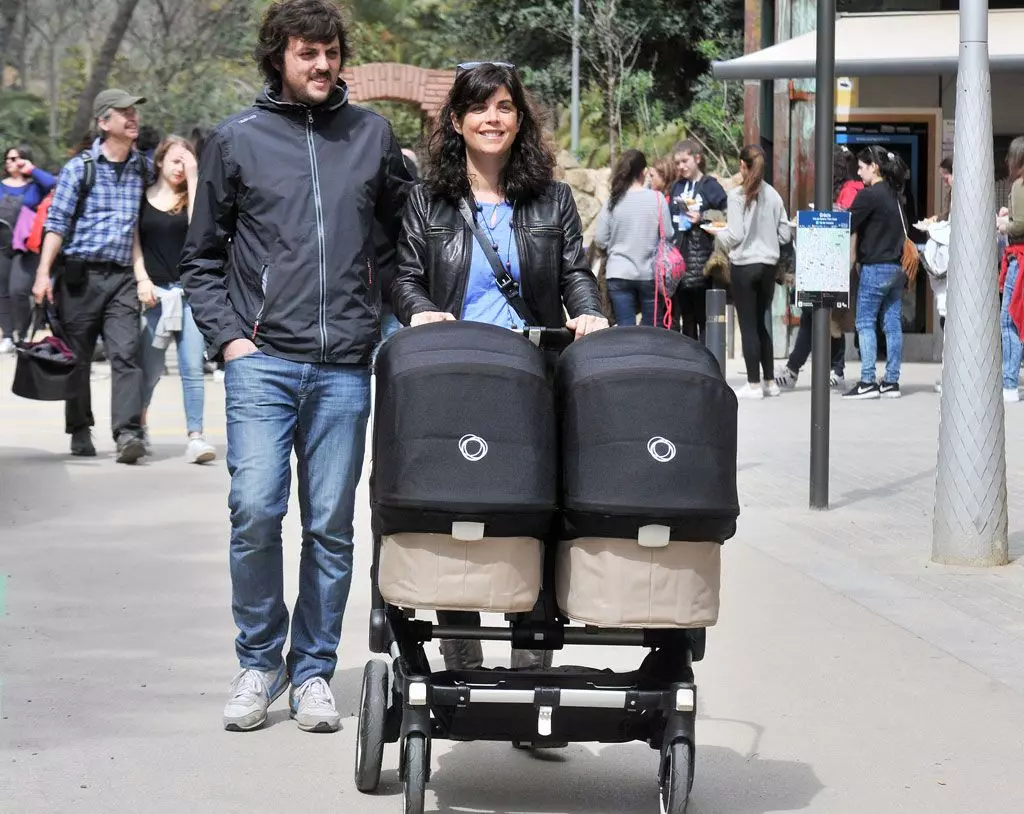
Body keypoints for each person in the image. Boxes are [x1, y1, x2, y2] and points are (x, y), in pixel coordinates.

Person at [179, 0, 411, 734]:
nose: (321, 64)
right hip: (262, 361)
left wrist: (396, 319)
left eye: (331, 51)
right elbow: (201, 259)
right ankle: (258, 661)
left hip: (345, 364)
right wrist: (230, 341)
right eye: (307, 52)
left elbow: (405, 242)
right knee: (255, 510)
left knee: (332, 527)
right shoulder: (236, 140)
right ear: (278, 56)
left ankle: (311, 670)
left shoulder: (372, 136)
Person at [392, 61, 607, 673]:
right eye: (480, 109)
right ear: (457, 121)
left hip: (529, 374)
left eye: (505, 107)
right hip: (454, 371)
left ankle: (531, 664)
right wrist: (422, 312)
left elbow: (572, 273)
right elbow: (405, 278)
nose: (493, 119)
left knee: (534, 508)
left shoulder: (552, 199)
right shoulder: (427, 200)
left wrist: (588, 314)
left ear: (519, 118)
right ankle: (460, 640)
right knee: (457, 504)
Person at [32, 89, 150, 463]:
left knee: (126, 354)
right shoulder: (79, 168)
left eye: (135, 112)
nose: (133, 118)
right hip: (79, 277)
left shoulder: (143, 168)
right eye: (124, 113)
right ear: (103, 122)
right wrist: (42, 275)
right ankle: (80, 429)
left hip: (123, 279)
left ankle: (128, 433)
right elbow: (57, 223)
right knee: (78, 359)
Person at [134, 135, 217, 463]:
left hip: (188, 294)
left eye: (187, 162)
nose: (181, 168)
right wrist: (142, 279)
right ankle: (138, 426)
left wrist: (195, 176)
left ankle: (195, 436)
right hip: (154, 295)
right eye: (176, 161)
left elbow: (200, 229)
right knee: (150, 369)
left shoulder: (191, 199)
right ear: (160, 161)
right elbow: (134, 242)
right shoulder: (142, 197)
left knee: (192, 367)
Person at [775, 145, 861, 392]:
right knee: (814, 316)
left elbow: (847, 224)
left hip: (838, 263)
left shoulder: (850, 191)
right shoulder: (838, 190)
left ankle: (830, 369)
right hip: (823, 261)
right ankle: (814, 368)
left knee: (829, 318)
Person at [716, 144, 792, 400]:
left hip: (744, 266)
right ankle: (770, 381)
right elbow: (785, 234)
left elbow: (735, 235)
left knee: (748, 325)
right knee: (762, 324)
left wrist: (716, 234)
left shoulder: (737, 195)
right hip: (769, 267)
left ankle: (753, 383)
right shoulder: (773, 195)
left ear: (743, 165)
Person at [842, 146, 910, 400]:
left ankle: (868, 380)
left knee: (865, 323)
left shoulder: (868, 196)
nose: (859, 173)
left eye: (861, 167)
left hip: (875, 267)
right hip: (897, 267)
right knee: (892, 325)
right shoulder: (896, 195)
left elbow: (847, 223)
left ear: (874, 167)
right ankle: (891, 381)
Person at [594, 149, 673, 328]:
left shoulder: (612, 200)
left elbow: (600, 239)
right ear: (644, 172)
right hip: (650, 274)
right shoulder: (657, 198)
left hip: (618, 272)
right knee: (651, 328)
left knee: (625, 328)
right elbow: (667, 235)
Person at [669, 140, 728, 341]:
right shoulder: (676, 187)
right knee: (686, 319)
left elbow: (727, 221)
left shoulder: (710, 186)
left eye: (685, 161)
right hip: (680, 263)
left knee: (704, 320)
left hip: (703, 265)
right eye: (677, 163)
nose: (681, 167)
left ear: (697, 158)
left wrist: (702, 218)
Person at [0, 145, 57, 352]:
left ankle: (21, 333)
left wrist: (31, 169)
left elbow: (52, 183)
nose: (10, 162)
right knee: (3, 292)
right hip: (2, 244)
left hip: (25, 245)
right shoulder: (1, 186)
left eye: (15, 158)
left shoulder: (34, 186)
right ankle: (7, 335)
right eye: (7, 159)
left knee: (18, 290)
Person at [997, 136, 1024, 403]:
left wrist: (1004, 223)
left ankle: (1008, 383)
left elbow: (1021, 226)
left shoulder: (1018, 185)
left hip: (1020, 257)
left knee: (1010, 320)